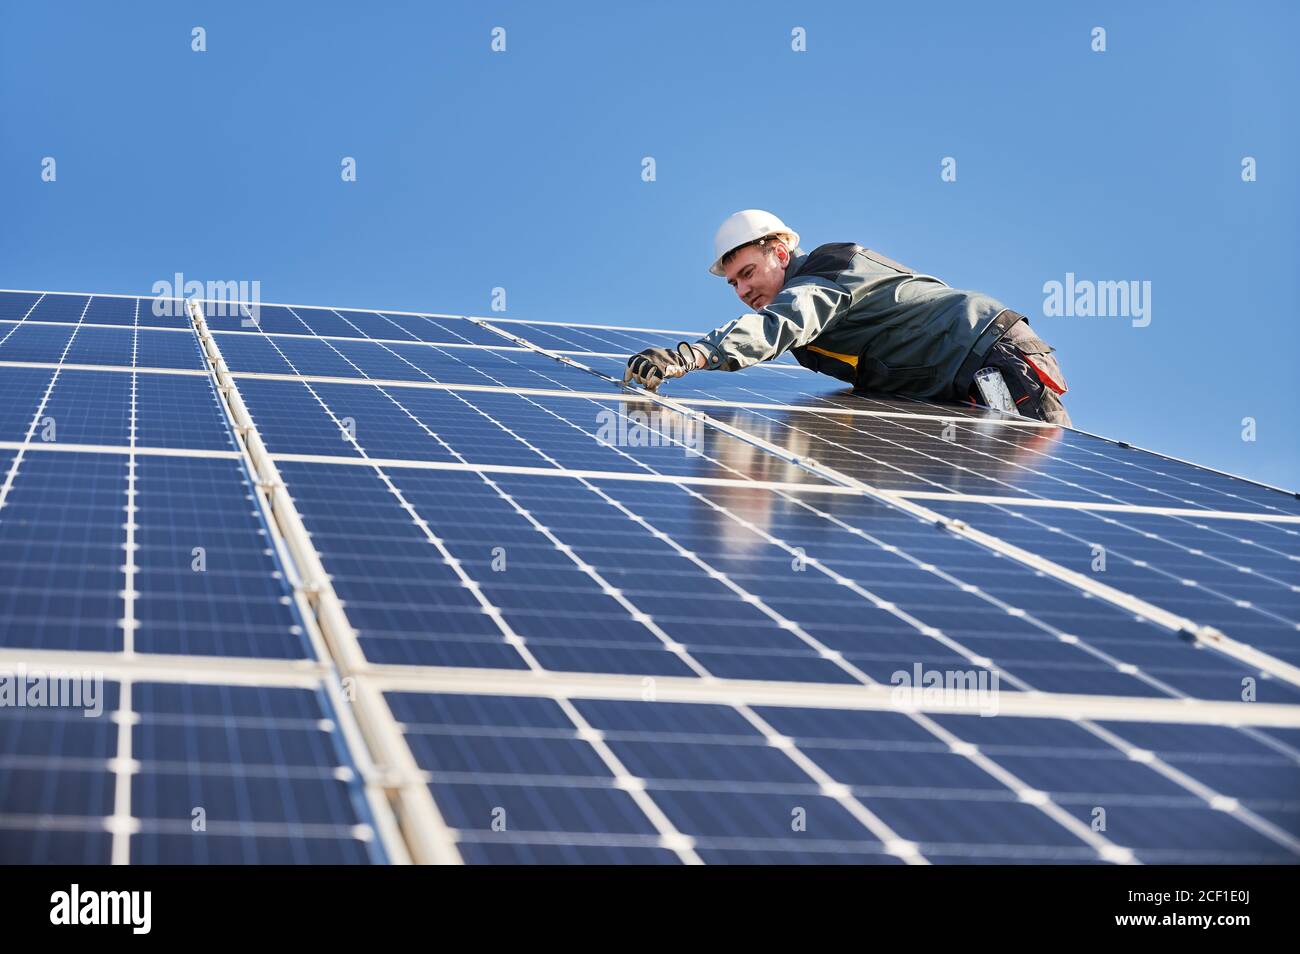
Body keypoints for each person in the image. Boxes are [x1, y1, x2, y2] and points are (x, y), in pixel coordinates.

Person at [623, 210, 1071, 425]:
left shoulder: (828, 269)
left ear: (780, 254)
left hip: (989, 356)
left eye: (747, 273)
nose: (742, 291)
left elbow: (780, 324)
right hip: (953, 387)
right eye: (733, 285)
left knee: (1034, 485)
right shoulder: (811, 342)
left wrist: (694, 355)